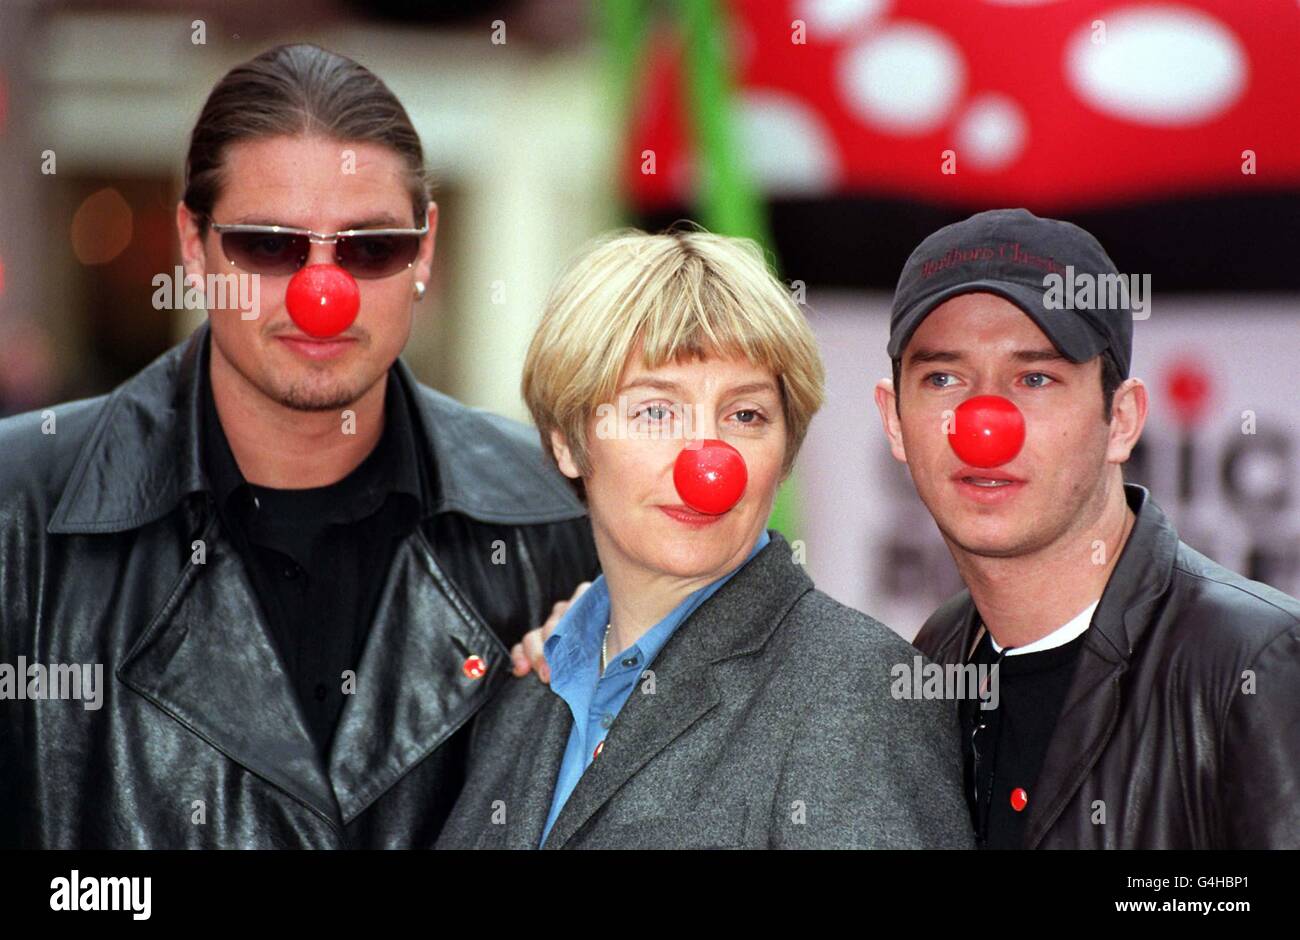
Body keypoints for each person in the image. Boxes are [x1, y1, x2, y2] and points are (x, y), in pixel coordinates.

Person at [0, 43, 596, 848]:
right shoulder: (16, 518)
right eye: (272, 246)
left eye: (370, 247)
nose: (324, 294)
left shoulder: (561, 518)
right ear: (193, 243)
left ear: (425, 251)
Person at [436, 228, 973, 849]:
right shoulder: (525, 686)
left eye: (745, 416)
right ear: (566, 441)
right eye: (656, 411)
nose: (707, 464)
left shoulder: (856, 696)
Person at [873, 208, 1300, 848]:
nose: (983, 425)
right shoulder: (937, 654)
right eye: (944, 378)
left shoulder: (1256, 663)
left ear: (1121, 420)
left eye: (1036, 378)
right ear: (895, 419)